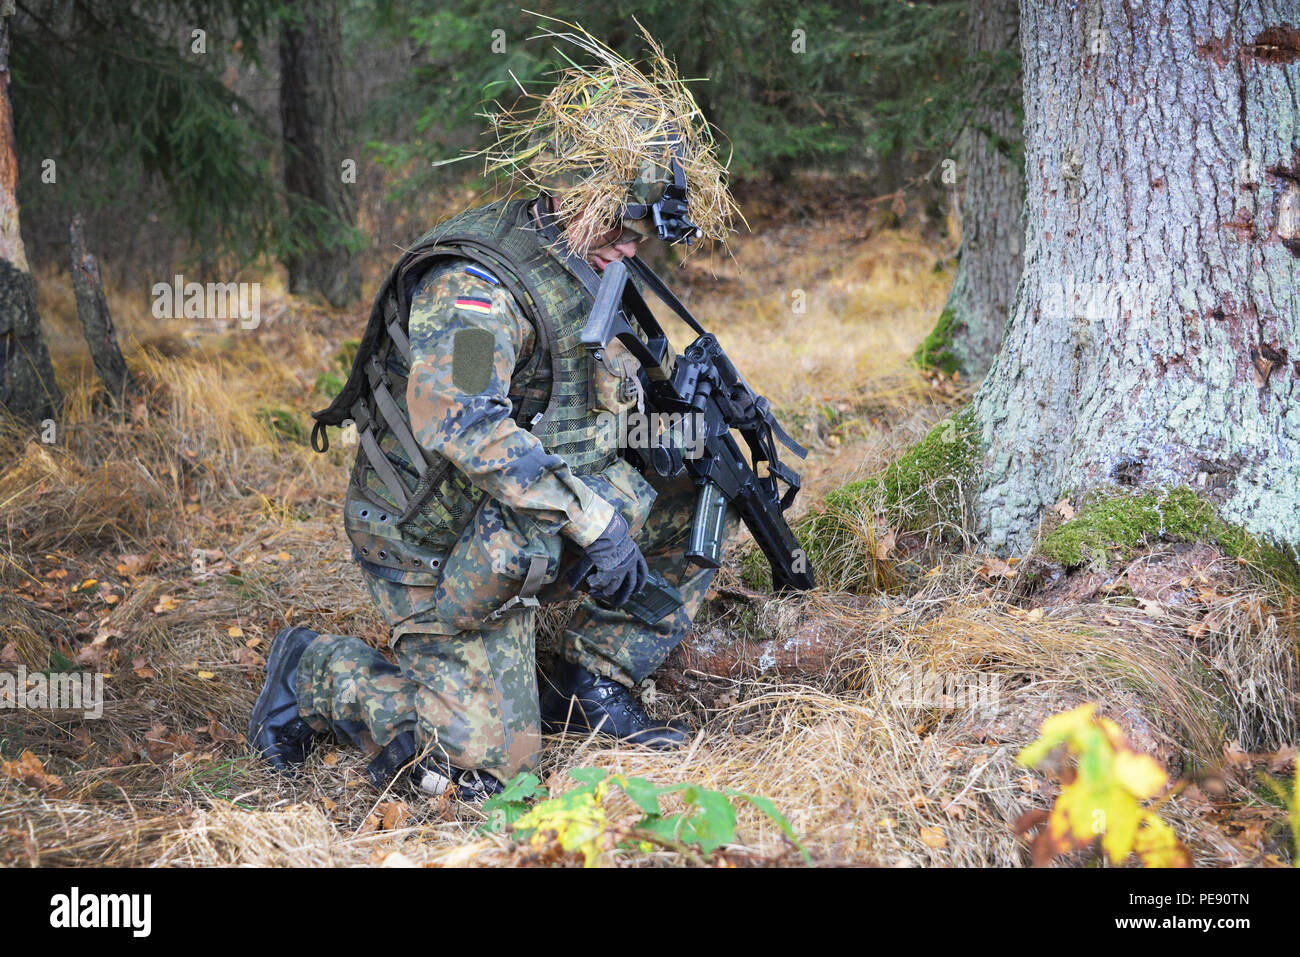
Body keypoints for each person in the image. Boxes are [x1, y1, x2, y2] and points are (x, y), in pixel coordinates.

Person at [249, 38, 740, 800]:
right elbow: (460, 418)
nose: (631, 246)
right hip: (429, 540)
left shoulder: (586, 254)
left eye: (638, 232)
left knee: (700, 482)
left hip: (512, 516)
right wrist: (593, 519)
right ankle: (314, 671)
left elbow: (587, 401)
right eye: (620, 227)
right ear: (579, 194)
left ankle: (591, 681)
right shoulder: (475, 290)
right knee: (489, 776)